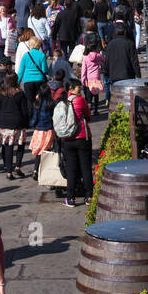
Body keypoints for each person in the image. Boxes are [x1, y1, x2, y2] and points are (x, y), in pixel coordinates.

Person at [53, 80, 92, 208]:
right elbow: (88, 116)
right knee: (85, 167)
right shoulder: (80, 100)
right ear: (71, 88)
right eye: (78, 88)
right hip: (82, 138)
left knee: (71, 169)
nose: (80, 90)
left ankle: (70, 198)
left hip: (67, 139)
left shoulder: (62, 102)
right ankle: (89, 196)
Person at [0, 73, 30, 179]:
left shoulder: (1, 93)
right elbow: (25, 110)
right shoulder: (19, 93)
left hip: (4, 122)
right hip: (17, 122)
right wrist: (26, 123)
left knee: (7, 147)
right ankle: (18, 166)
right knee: (20, 144)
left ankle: (9, 172)